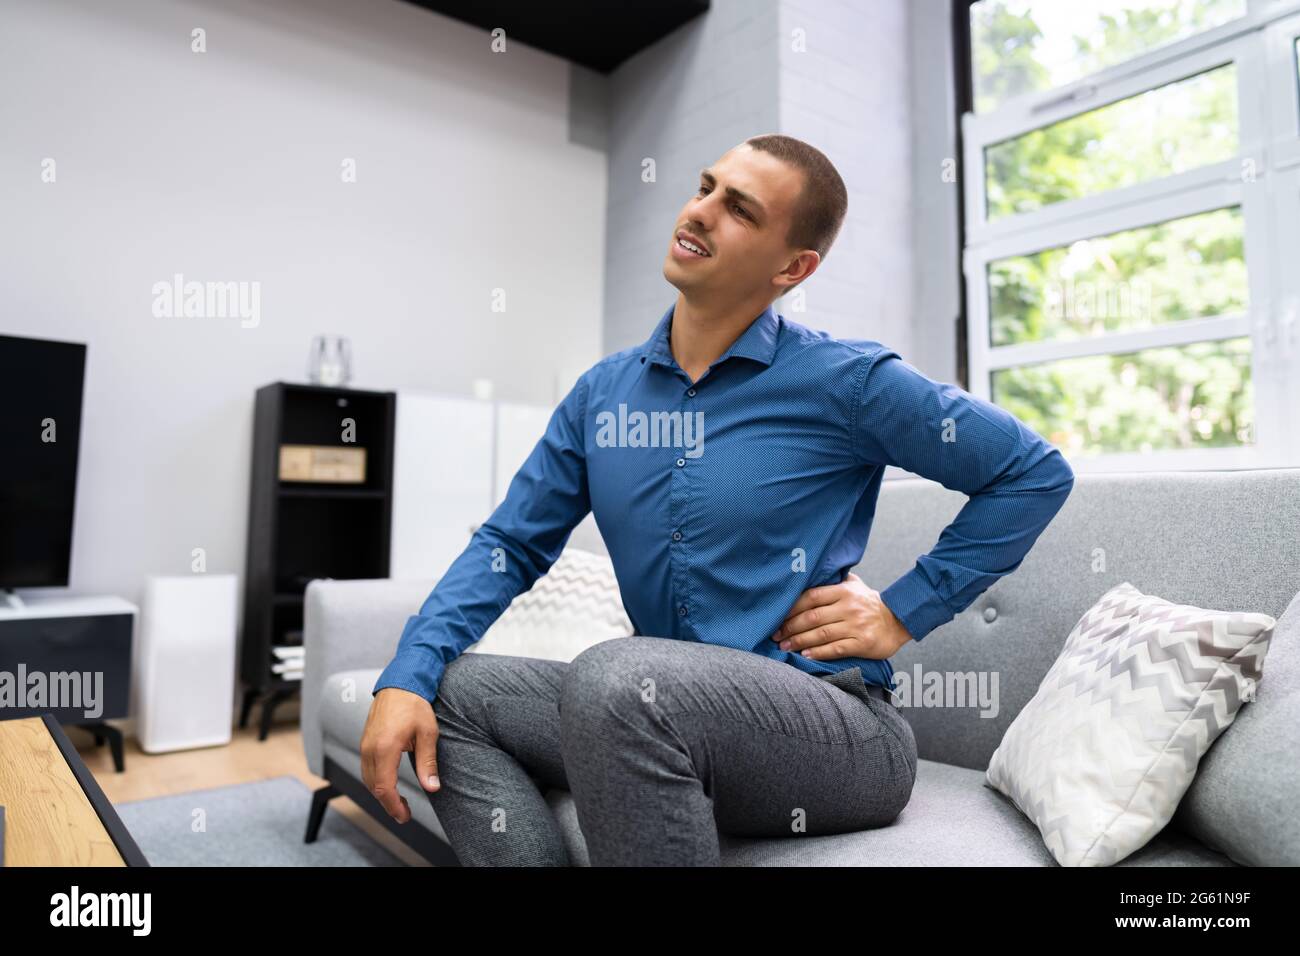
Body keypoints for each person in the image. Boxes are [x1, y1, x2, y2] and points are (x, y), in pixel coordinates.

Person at [359, 133, 1075, 866]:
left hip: (832, 732)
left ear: (792, 268)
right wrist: (404, 675)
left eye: (738, 208)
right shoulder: (603, 395)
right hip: (649, 712)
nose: (699, 212)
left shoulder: (847, 380)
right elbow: (508, 544)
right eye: (704, 187)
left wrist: (903, 610)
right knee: (443, 693)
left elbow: (1032, 473)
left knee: (621, 674)